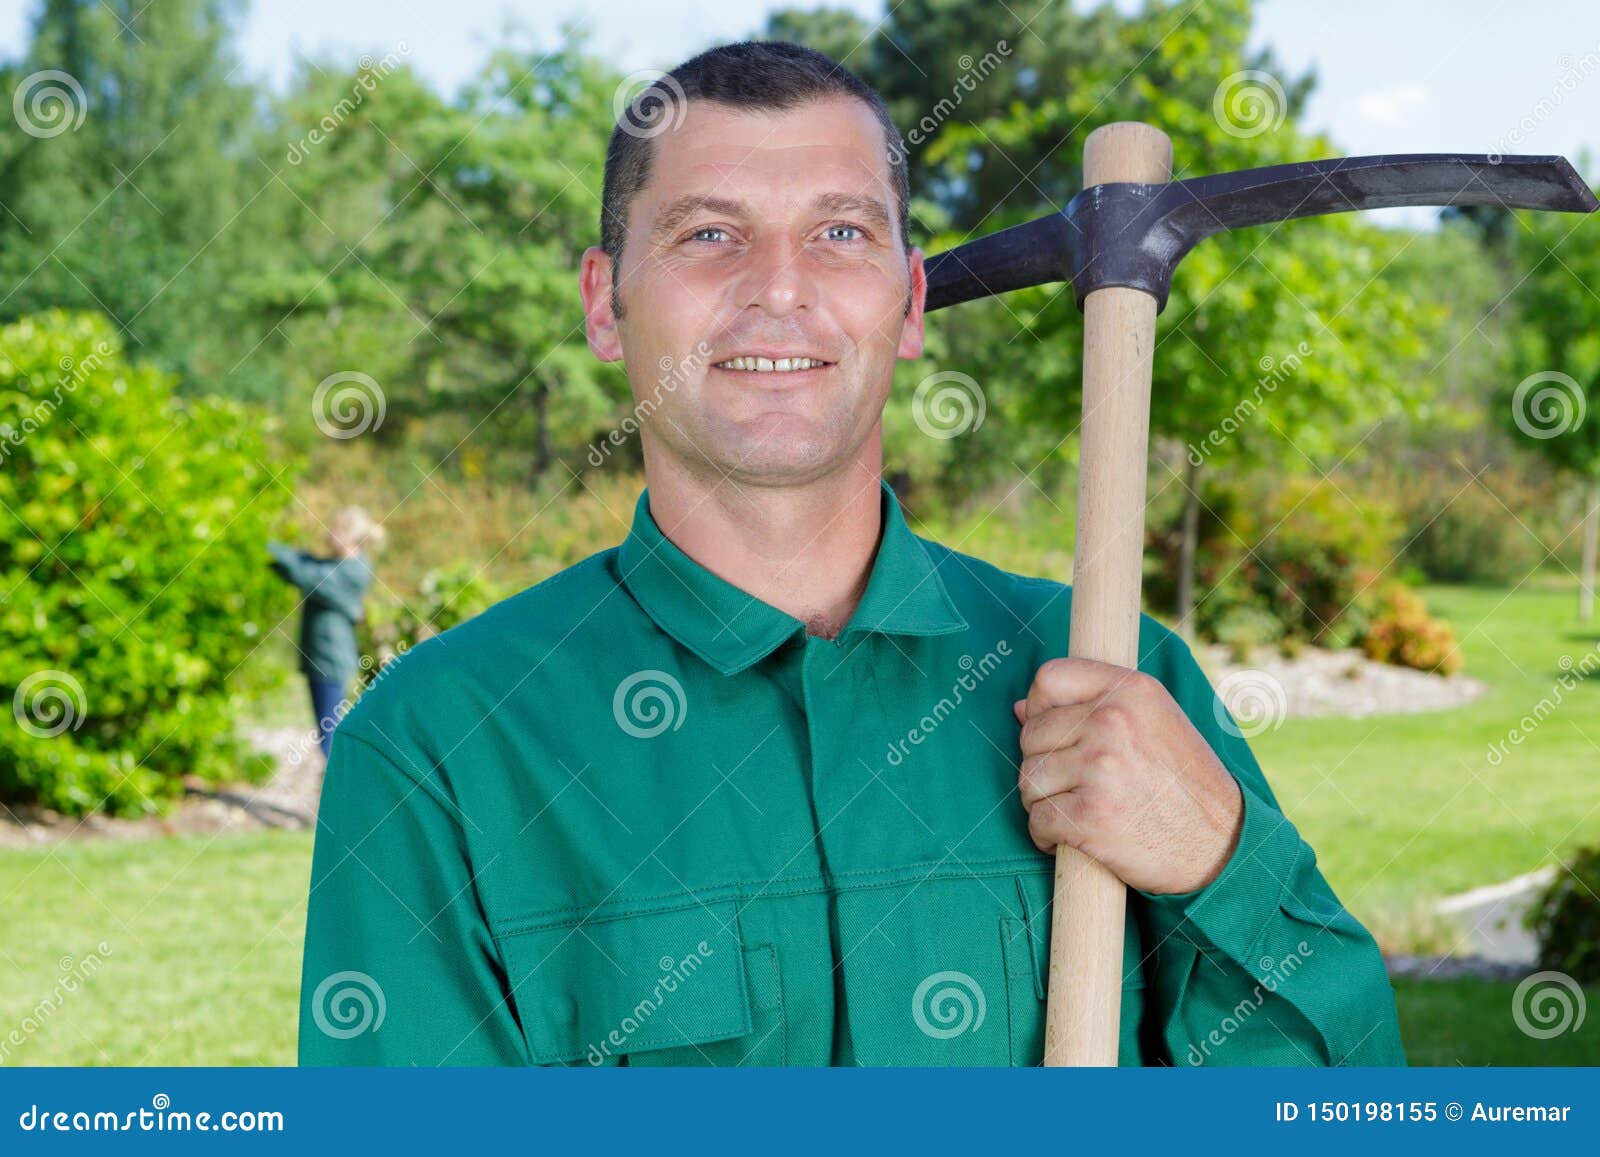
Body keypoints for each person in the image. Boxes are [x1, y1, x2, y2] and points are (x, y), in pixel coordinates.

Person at [297, 42, 1405, 1067]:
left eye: (839, 232)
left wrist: (1222, 863)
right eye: (708, 233)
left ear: (909, 300)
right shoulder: (439, 749)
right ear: (603, 301)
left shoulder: (1113, 673)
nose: (779, 287)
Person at [267, 507, 382, 761]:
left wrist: (265, 546)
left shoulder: (352, 572)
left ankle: (341, 797)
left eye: (337, 529)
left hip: (329, 661)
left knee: (329, 737)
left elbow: (306, 574)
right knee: (326, 733)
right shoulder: (338, 565)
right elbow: (303, 564)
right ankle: (339, 794)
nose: (330, 532)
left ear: (353, 536)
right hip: (319, 658)